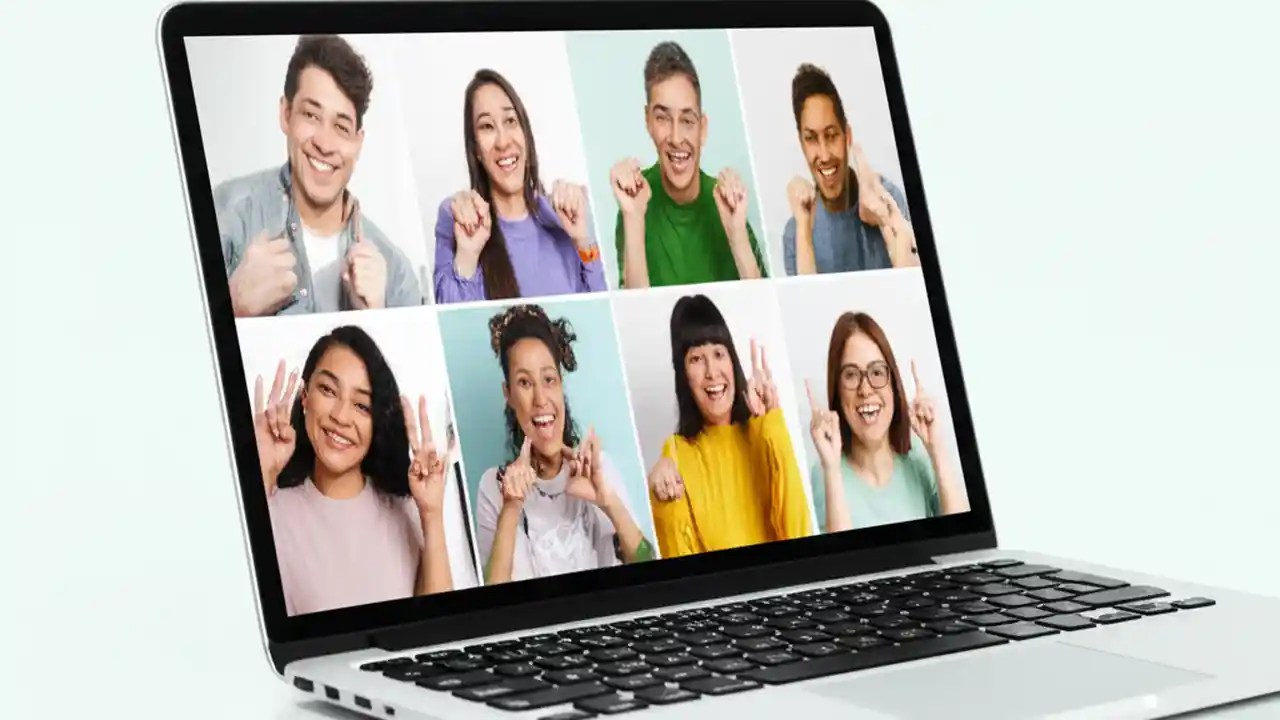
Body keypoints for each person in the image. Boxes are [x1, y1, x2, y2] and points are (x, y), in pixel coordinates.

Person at [213, 35, 423, 316]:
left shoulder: (396, 272)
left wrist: (379, 317)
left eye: (341, 127)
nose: (324, 144)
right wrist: (233, 305)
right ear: (286, 114)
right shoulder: (225, 213)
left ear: (358, 143)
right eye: (311, 116)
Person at [252, 325, 454, 615]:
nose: (341, 416)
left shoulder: (407, 512)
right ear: (305, 396)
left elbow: (437, 628)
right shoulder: (271, 511)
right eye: (328, 390)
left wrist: (433, 515)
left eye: (362, 405)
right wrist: (260, 471)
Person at [474, 305, 655, 583]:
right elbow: (492, 602)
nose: (540, 399)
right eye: (524, 383)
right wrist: (511, 506)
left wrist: (608, 501)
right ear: (507, 394)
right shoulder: (493, 487)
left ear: (560, 385)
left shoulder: (597, 469)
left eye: (549, 379)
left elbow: (649, 567)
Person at [646, 295, 812, 558]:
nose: (712, 372)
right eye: (696, 359)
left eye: (719, 354)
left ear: (732, 362)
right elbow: (682, 570)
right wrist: (663, 505)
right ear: (684, 375)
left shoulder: (764, 431)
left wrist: (773, 425)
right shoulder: (676, 453)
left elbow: (800, 536)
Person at [435, 69, 606, 303]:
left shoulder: (567, 215)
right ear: (475, 149)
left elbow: (603, 313)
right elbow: (452, 323)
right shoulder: (457, 218)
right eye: (487, 126)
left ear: (525, 132)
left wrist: (583, 241)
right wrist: (467, 255)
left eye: (510, 121)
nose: (503, 141)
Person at [610, 41, 768, 289]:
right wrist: (633, 217)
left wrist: (736, 234)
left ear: (702, 129)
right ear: (648, 121)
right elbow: (636, 317)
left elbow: (764, 307)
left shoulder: (728, 205)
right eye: (662, 118)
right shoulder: (633, 206)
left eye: (687, 120)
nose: (675, 138)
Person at [804, 312, 968, 533]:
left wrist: (937, 449)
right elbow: (840, 564)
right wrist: (831, 469)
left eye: (877, 372)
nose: (865, 389)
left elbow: (962, 543)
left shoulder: (919, 460)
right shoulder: (824, 474)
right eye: (851, 375)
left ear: (894, 385)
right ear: (837, 391)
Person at [782, 63, 919, 276]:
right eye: (811, 139)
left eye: (831, 135)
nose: (825, 155)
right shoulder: (795, 234)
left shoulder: (888, 199)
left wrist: (886, 222)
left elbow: (915, 288)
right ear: (801, 143)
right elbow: (808, 306)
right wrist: (804, 231)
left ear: (847, 135)